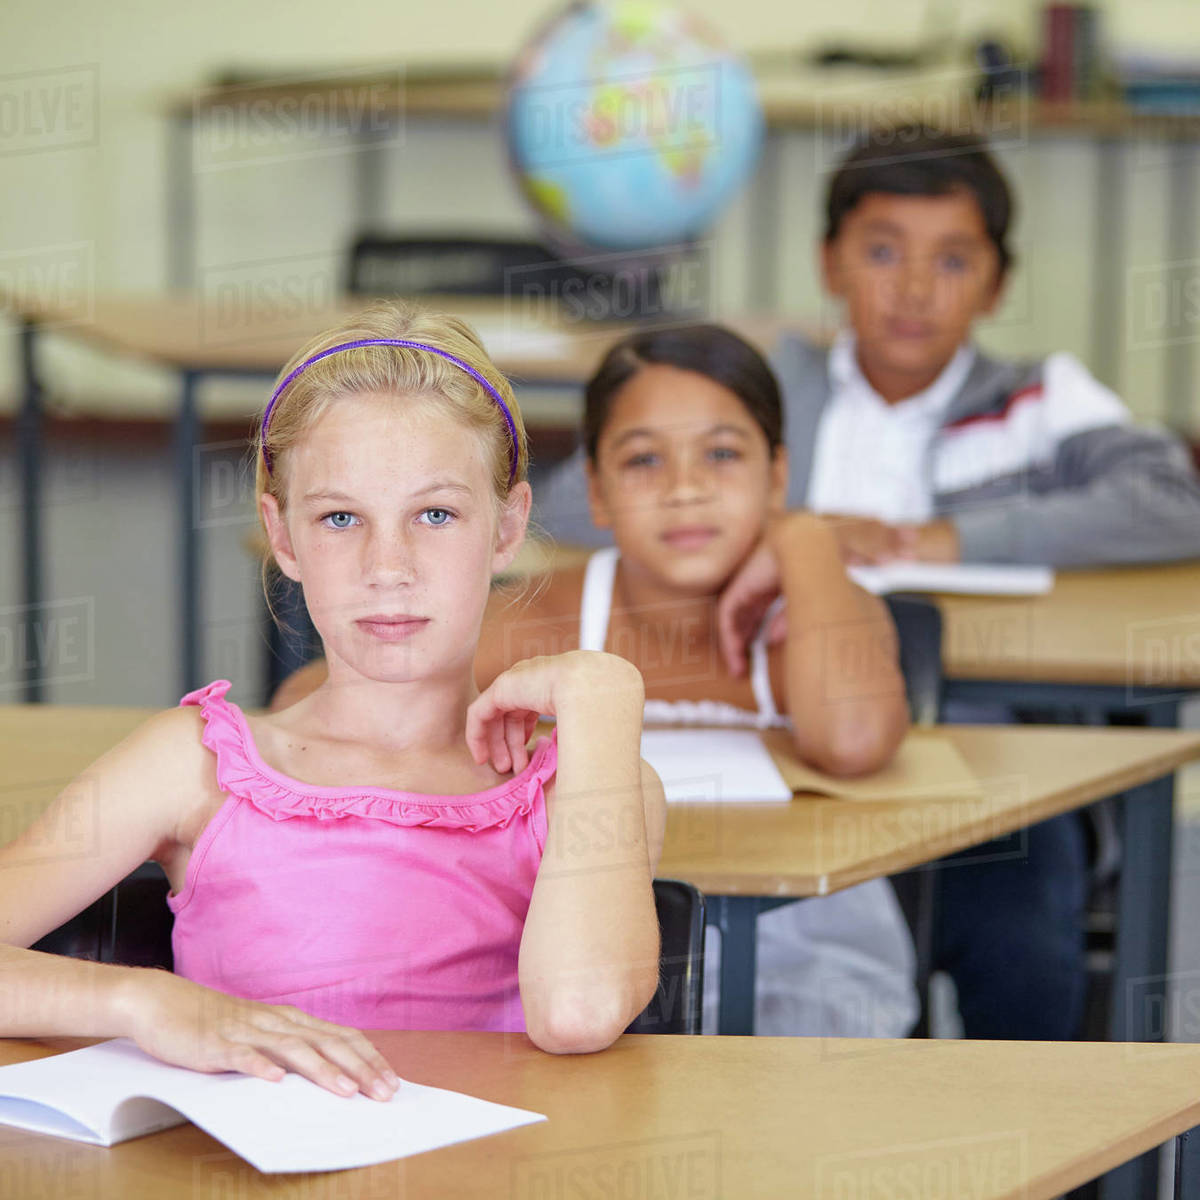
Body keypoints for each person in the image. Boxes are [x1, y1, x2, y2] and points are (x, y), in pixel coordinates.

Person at [534, 124, 1200, 1040]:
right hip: (777, 732)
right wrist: (772, 524)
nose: (914, 289)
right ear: (829, 264)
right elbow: (572, 504)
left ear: (998, 282)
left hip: (980, 747)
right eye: (882, 252)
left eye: (953, 260)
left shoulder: (1037, 398)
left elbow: (1173, 498)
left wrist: (948, 536)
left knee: (1022, 922)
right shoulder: (774, 379)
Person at [0, 301, 665, 1095]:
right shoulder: (192, 763)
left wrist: (603, 697)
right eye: (341, 517)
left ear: (507, 527)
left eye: (437, 514)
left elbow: (580, 1012)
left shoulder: (582, 782)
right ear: (283, 538)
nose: (390, 566)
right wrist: (147, 1001)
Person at [482, 324, 916, 1037]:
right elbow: (325, 701)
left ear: (777, 475)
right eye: (644, 460)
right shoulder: (544, 616)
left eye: (721, 454)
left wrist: (803, 540)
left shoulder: (820, 607)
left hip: (807, 965)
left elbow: (855, 738)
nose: (685, 489)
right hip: (582, 962)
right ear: (596, 489)